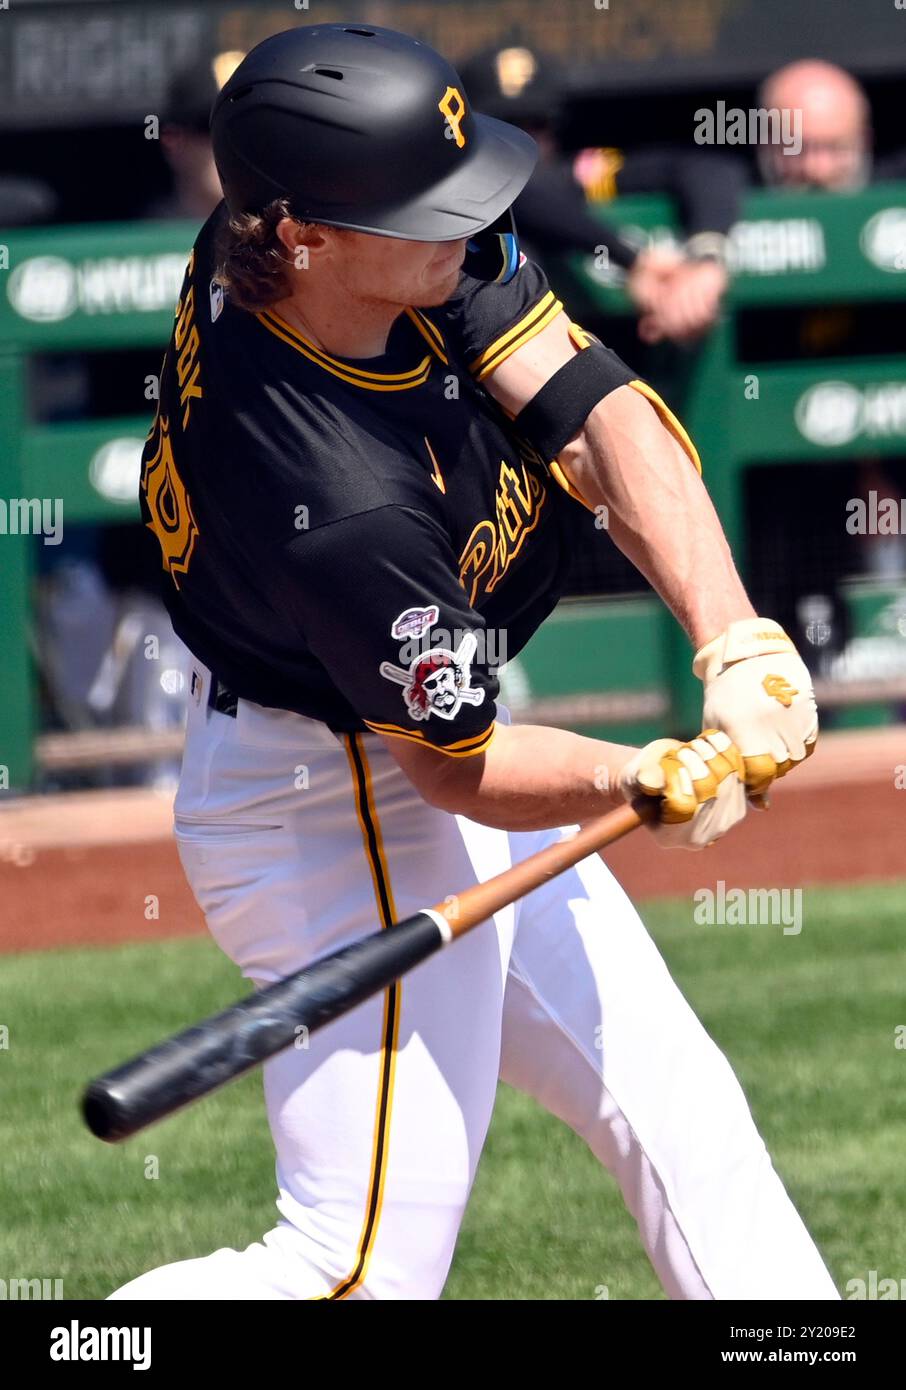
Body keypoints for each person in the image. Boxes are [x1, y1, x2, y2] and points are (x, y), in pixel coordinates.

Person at [108, 24, 836, 1301]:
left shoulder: (384, 255)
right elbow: (465, 764)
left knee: (679, 1113)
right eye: (420, 203)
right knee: (357, 1271)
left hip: (392, 736)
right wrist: (650, 773)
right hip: (334, 805)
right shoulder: (329, 490)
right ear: (298, 236)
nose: (472, 218)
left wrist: (736, 641)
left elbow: (595, 411)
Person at [459, 42, 742, 346]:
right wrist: (635, 259)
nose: (524, 139)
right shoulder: (456, 189)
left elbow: (709, 169)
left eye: (536, 123)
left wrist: (706, 259)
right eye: (505, 125)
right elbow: (516, 192)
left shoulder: (574, 175)